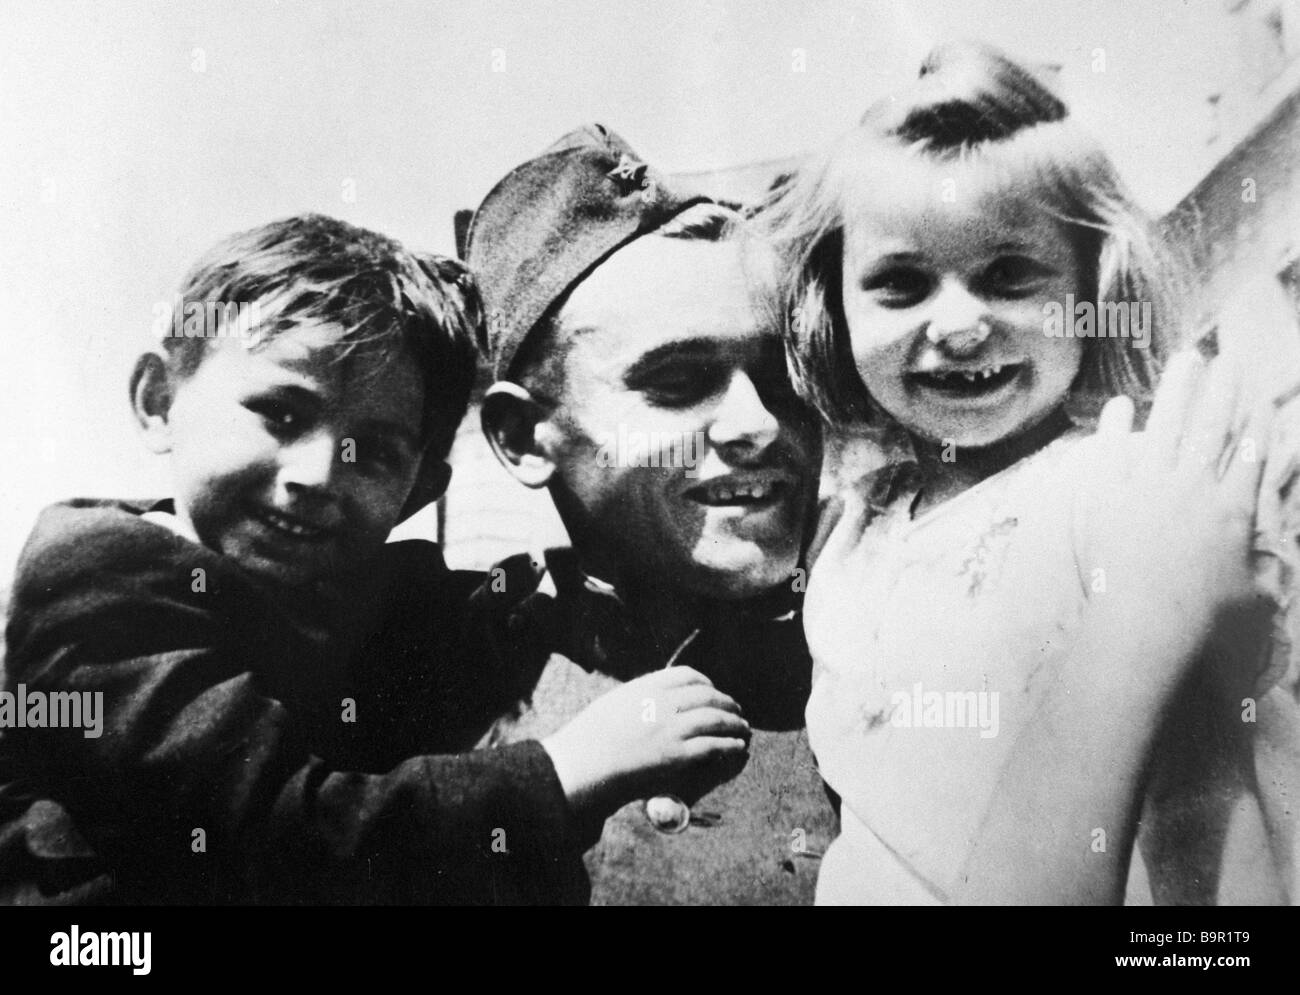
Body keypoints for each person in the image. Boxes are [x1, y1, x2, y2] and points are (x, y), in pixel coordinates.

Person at [0, 213, 751, 905]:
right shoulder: (99, 591)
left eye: (375, 452)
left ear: (420, 486)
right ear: (159, 401)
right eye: (281, 414)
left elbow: (444, 608)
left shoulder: (342, 586)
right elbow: (275, 834)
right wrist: (564, 772)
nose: (318, 473)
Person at [761, 41, 1300, 904]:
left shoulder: (1122, 487)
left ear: (1092, 283)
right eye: (901, 284)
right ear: (837, 306)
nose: (962, 324)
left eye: (1010, 276)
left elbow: (1214, 801)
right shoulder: (850, 527)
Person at [461, 124, 839, 904]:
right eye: (677, 382)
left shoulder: (897, 651)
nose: (758, 423)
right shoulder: (438, 671)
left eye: (782, 376)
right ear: (524, 438)